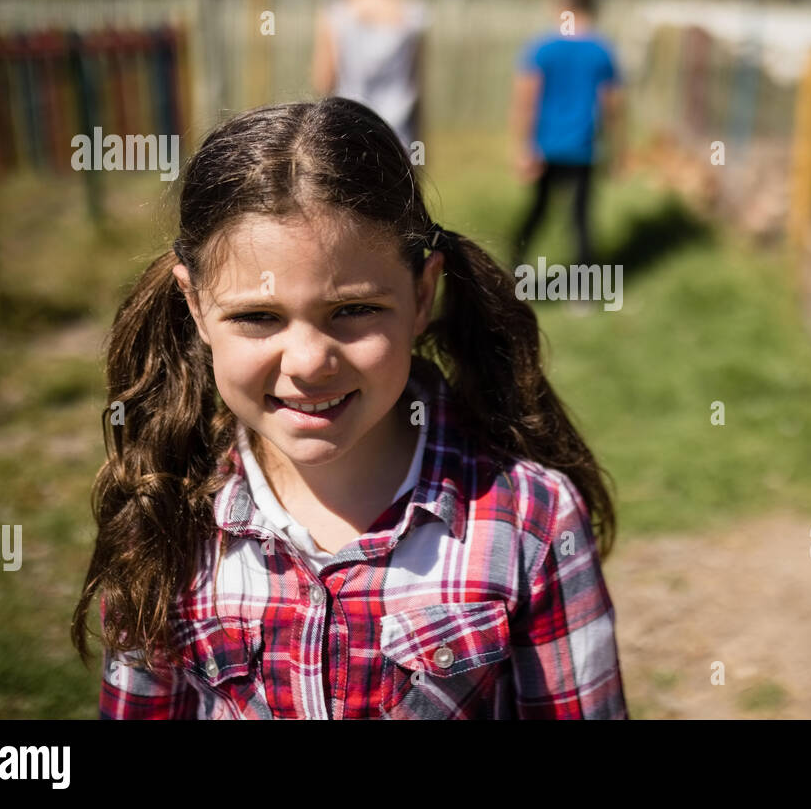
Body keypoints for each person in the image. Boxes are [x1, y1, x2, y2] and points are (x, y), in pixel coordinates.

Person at [72, 97, 626, 720]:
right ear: (195, 305)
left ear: (422, 295)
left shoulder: (532, 521)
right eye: (258, 317)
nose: (308, 362)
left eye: (353, 310)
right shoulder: (164, 516)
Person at [510, 0, 625, 268]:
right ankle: (582, 292)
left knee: (538, 211)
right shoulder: (602, 51)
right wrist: (617, 150)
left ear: (563, 6)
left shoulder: (541, 48)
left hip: (545, 145)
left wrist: (524, 146)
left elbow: (526, 101)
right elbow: (613, 107)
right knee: (581, 218)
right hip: (584, 148)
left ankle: (511, 272)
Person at [312, 0, 427, 151]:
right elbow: (417, 82)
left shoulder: (337, 11)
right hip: (399, 134)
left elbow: (324, 80)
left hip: (349, 130)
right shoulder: (413, 12)